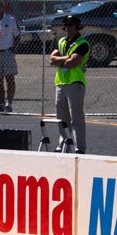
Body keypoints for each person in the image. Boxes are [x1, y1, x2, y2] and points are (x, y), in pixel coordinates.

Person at [49, 15, 90, 153]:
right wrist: (66, 57)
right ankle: (64, 144)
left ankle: (80, 147)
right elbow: (51, 59)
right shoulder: (61, 41)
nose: (68, 27)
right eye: (66, 24)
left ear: (77, 26)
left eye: (71, 24)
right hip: (60, 82)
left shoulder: (82, 43)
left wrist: (61, 59)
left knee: (76, 117)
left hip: (75, 83)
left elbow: (73, 63)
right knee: (61, 118)